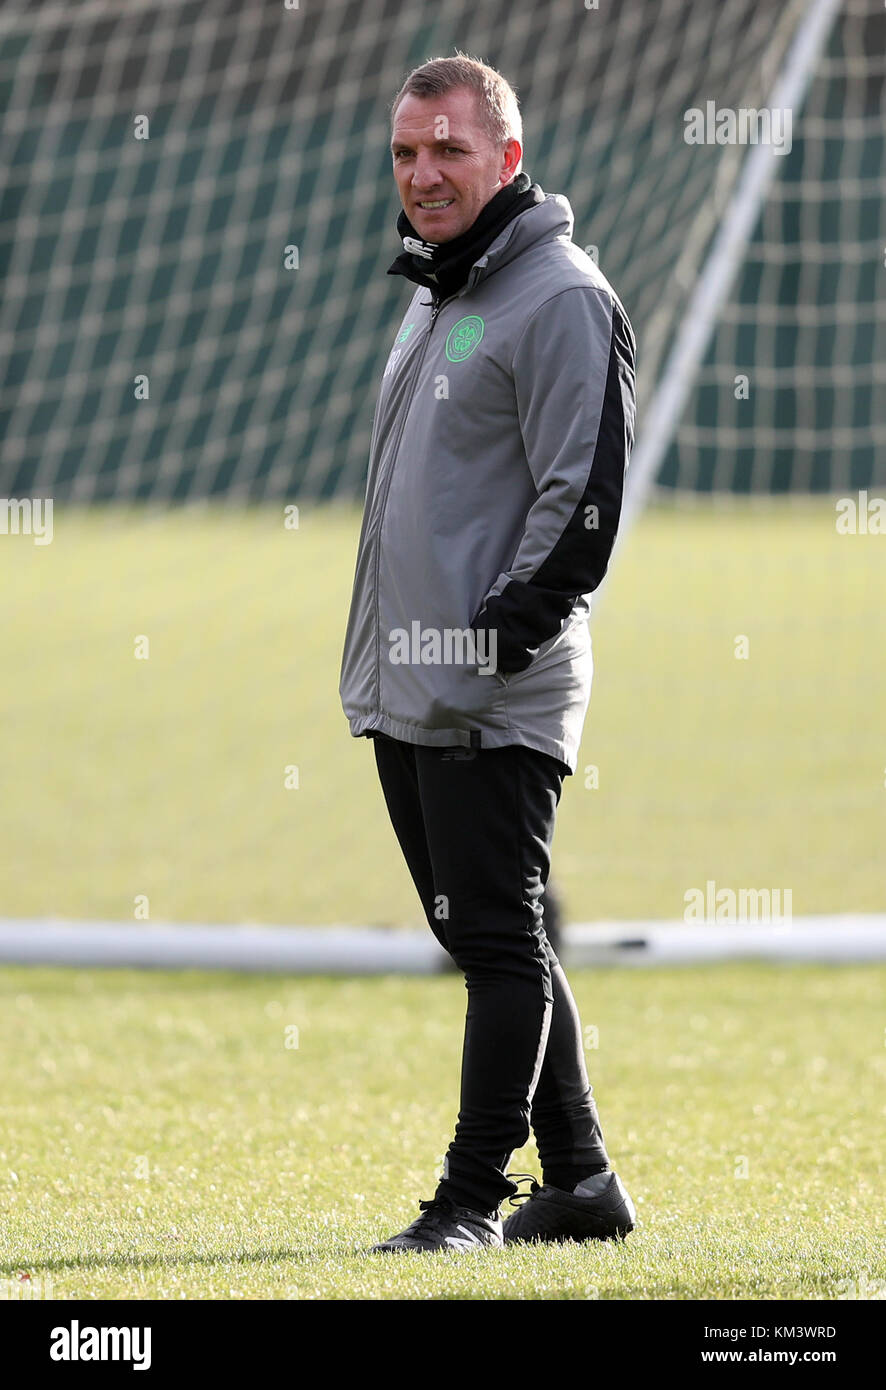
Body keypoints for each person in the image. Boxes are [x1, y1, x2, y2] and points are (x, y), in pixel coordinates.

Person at [339, 54, 637, 1253]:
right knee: (486, 935)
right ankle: (582, 1183)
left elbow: (585, 498)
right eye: (407, 153)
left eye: (448, 150)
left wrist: (494, 640)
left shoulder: (557, 295)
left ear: (506, 158)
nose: (424, 174)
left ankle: (466, 1201)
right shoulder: (438, 289)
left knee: (501, 943)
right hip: (409, 683)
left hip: (488, 689)